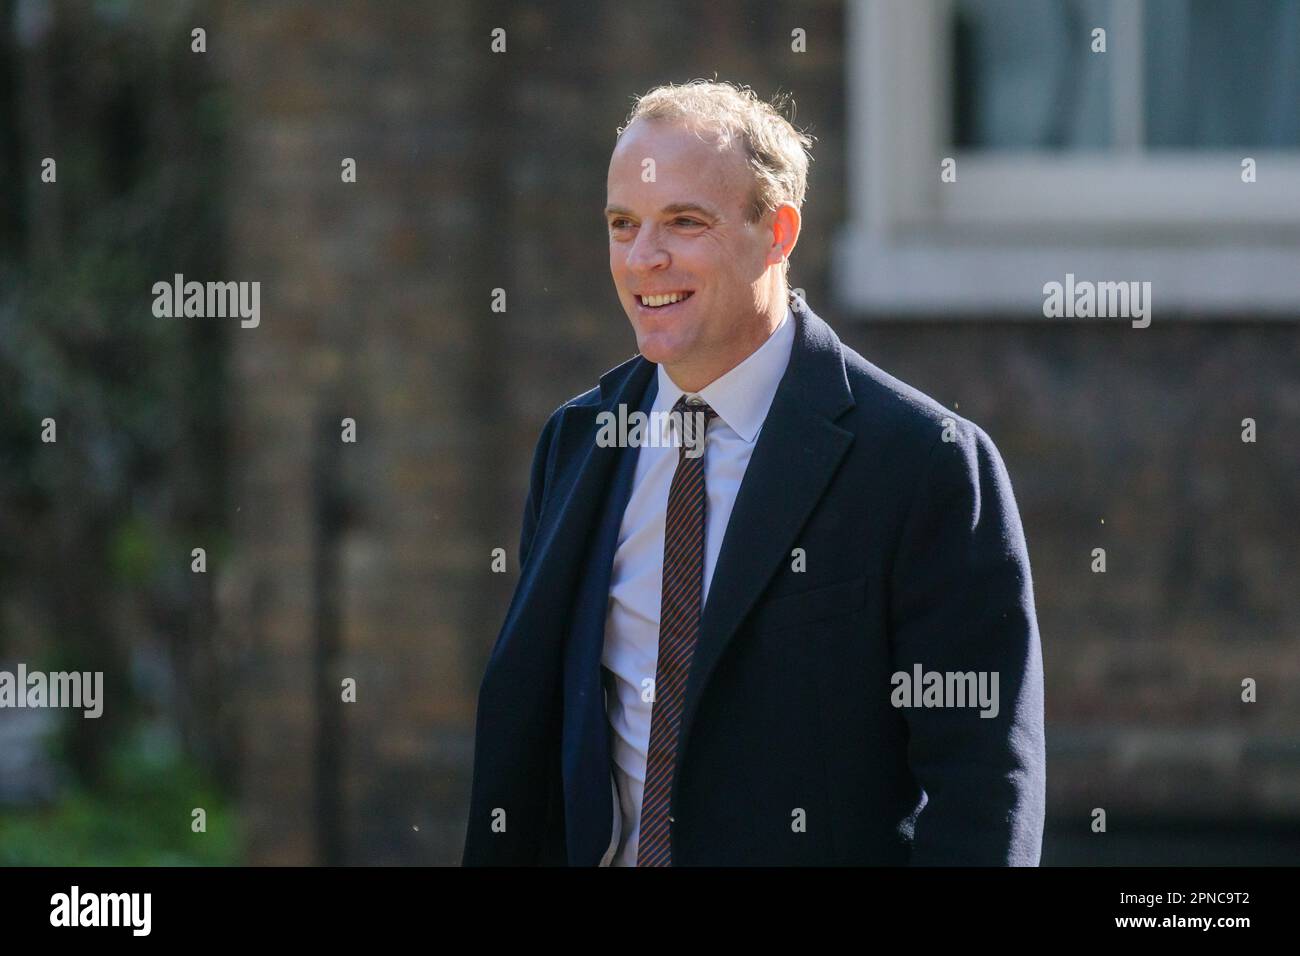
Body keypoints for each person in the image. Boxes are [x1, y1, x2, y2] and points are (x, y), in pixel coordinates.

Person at [463, 80, 1045, 866]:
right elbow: (532, 745)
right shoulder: (578, 442)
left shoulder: (926, 462)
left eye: (684, 223)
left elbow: (981, 786)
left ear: (777, 232)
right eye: (623, 225)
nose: (644, 259)